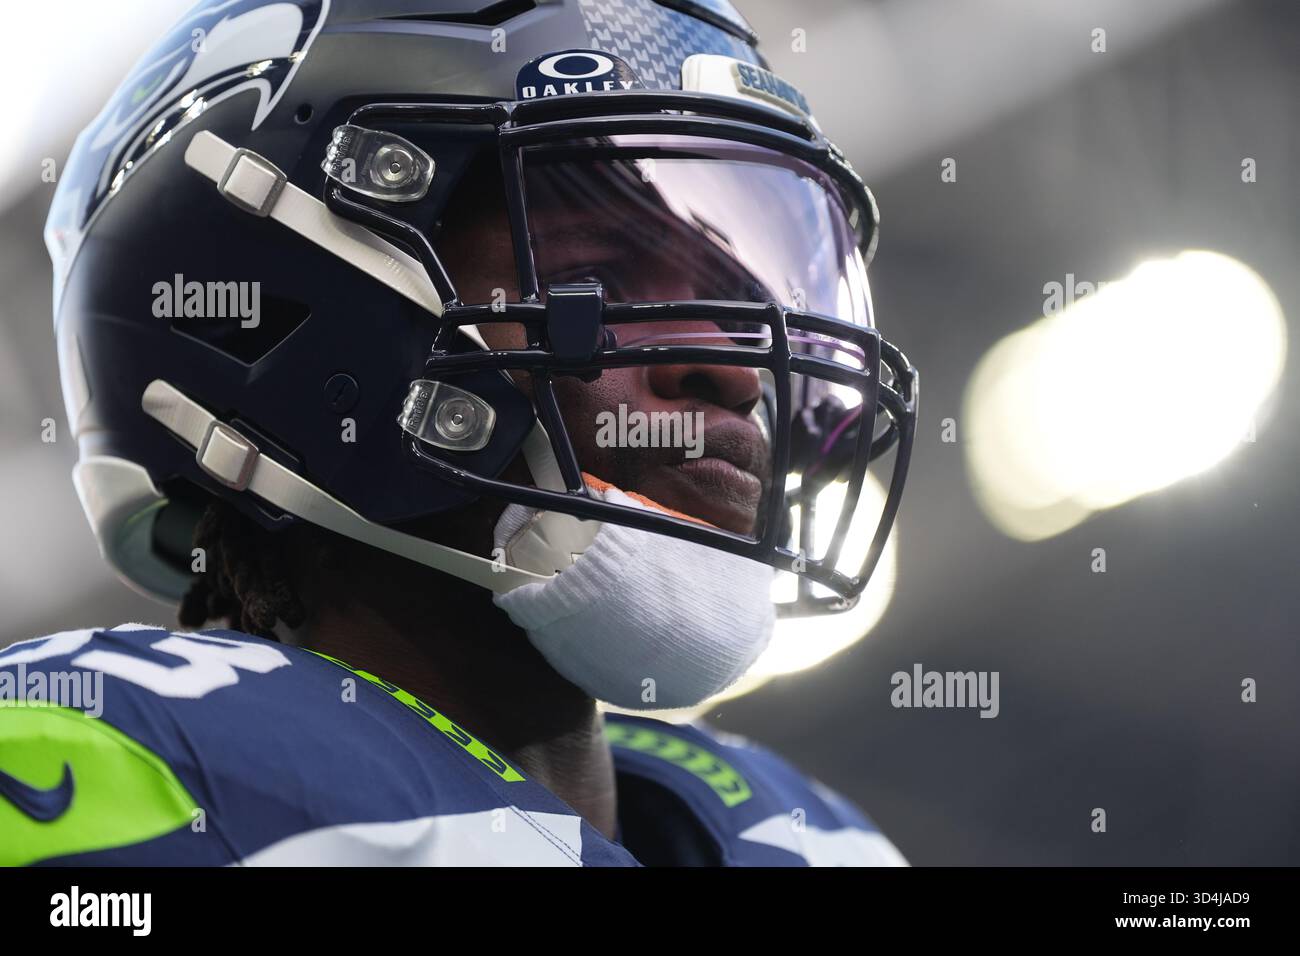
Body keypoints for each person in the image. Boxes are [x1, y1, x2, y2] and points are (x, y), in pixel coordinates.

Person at [2, 0, 916, 866]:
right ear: (280, 322)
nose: (734, 370)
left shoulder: (817, 841)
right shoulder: (112, 748)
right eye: (602, 279)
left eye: (741, 306)